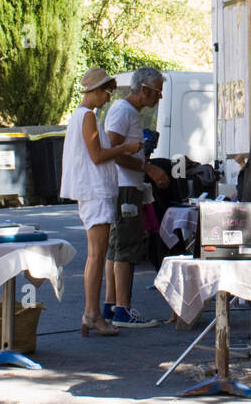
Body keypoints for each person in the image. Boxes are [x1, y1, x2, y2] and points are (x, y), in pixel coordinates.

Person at [60, 68, 144, 336]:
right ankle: (92, 313)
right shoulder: (86, 117)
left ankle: (92, 312)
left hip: (93, 190)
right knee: (97, 254)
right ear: (95, 91)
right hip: (94, 191)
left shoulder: (81, 116)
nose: (108, 98)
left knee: (96, 254)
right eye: (107, 92)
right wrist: (124, 149)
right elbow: (97, 155)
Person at [102, 67, 170, 327]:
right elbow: (113, 150)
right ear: (144, 90)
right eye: (157, 93)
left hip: (128, 186)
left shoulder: (127, 112)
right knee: (127, 247)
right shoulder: (122, 111)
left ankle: (112, 304)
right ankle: (122, 308)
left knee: (117, 246)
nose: (158, 99)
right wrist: (147, 168)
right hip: (125, 187)